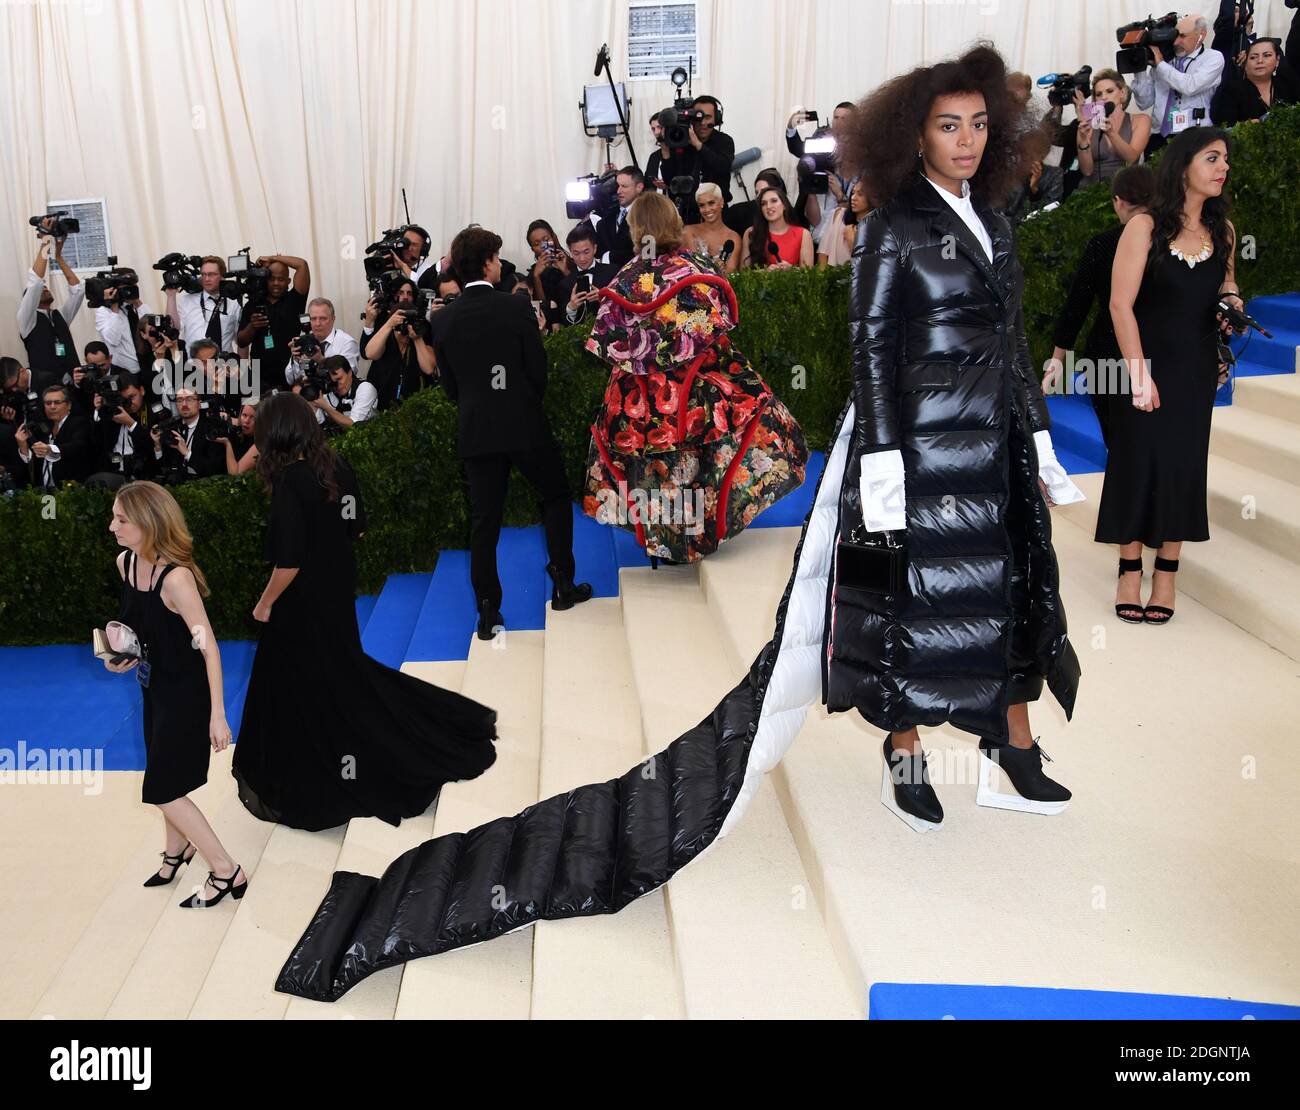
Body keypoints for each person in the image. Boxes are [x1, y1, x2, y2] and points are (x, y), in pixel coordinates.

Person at [271, 45, 1089, 1005]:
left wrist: (1033, 438)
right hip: (897, 445)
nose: (966, 141)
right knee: (901, 603)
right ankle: (906, 756)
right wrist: (873, 465)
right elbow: (867, 348)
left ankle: (1016, 745)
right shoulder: (887, 230)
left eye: (979, 124)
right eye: (948, 125)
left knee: (1005, 590)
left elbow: (1013, 337)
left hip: (980, 443)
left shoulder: (990, 219)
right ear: (915, 138)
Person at [232, 392, 498, 831]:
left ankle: (316, 759)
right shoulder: (334, 465)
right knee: (339, 669)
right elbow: (354, 529)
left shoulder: (289, 482)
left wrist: (264, 604)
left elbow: (289, 562)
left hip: (302, 597)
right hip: (336, 588)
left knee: (302, 677)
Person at [583, 191, 809, 564]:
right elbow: (720, 322)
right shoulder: (697, 266)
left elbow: (609, 342)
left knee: (654, 471)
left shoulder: (625, 278)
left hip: (642, 403)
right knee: (715, 450)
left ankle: (669, 543)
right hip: (697, 392)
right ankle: (707, 531)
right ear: (673, 222)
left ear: (636, 229)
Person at [1096, 127, 1242, 625]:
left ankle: (1167, 576)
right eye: (1213, 158)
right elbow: (1120, 305)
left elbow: (1227, 283)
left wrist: (1232, 304)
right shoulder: (1144, 227)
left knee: (1183, 467)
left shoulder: (1223, 231)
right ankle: (1129, 570)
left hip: (1196, 370)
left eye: (1225, 160)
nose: (1223, 167)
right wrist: (1138, 373)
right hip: (1143, 363)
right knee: (1137, 464)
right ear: (1183, 165)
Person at [106, 481, 246, 908]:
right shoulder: (125, 564)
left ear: (148, 523)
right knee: (164, 774)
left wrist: (217, 714)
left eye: (121, 519)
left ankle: (226, 870)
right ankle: (176, 851)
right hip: (153, 688)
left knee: (164, 788)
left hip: (187, 694)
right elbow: (141, 627)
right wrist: (121, 655)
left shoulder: (177, 579)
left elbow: (209, 647)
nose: (112, 526)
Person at [1043, 164, 1156, 447]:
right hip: (1159, 354)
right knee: (1153, 445)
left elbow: (1076, 306)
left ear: (1118, 202)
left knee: (1119, 445)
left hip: (1107, 358)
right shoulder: (1170, 243)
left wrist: (1057, 361)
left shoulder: (1103, 244)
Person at [1131, 14, 1226, 155]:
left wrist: (1161, 65)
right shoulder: (1165, 61)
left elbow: (1190, 86)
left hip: (1194, 135)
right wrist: (1139, 68)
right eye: (1174, 36)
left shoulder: (1212, 58)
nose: (1176, 42)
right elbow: (1144, 102)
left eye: (1182, 36)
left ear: (1201, 35)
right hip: (1159, 137)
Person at [17, 219, 85, 395]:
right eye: (43, 288)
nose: (45, 288)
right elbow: (35, 283)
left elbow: (77, 291)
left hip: (73, 389)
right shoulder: (27, 320)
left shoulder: (59, 315)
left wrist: (59, 257)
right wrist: (46, 241)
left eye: (46, 287)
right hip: (48, 393)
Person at [235, 254, 311, 394]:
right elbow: (241, 341)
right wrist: (252, 326)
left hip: (289, 373)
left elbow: (302, 264)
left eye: (281, 279)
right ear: (265, 280)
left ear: (288, 281)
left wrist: (272, 258)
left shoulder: (295, 300)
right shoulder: (253, 304)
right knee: (259, 413)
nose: (276, 283)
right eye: (271, 279)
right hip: (259, 374)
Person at [361, 278, 437, 407]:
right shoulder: (386, 335)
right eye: (400, 293)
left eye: (409, 293)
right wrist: (389, 325)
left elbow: (429, 369)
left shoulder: (421, 334)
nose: (403, 331)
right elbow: (369, 353)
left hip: (414, 405)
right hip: (383, 404)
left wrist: (417, 338)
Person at [1076, 69, 1153, 186]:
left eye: (1110, 91)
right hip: (1093, 190)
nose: (1104, 97)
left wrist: (1111, 133)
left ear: (1122, 93)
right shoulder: (1089, 123)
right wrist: (1082, 141)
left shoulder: (1141, 120)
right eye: (1099, 94)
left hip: (1127, 187)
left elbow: (1131, 159)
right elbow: (1087, 171)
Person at [14, 384, 94, 489]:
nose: (52, 407)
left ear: (68, 405)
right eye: (48, 403)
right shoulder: (41, 427)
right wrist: (23, 446)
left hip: (70, 490)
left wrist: (50, 450)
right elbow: (32, 461)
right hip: (42, 491)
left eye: (57, 402)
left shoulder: (79, 423)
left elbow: (77, 446)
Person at [1211, 36, 1300, 124]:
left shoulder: (1288, 84)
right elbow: (1223, 127)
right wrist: (1243, 126)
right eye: (1253, 57)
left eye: (1267, 55)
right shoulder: (1232, 90)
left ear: (1277, 60)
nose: (1260, 61)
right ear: (1245, 62)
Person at [168, 256, 241, 356]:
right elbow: (174, 327)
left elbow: (241, 340)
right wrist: (171, 296)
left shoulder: (234, 303)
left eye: (211, 274)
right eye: (203, 274)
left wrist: (242, 367)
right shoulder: (187, 300)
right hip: (193, 366)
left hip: (224, 365)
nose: (206, 279)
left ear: (222, 276)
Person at [557, 224, 617, 326]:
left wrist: (605, 298)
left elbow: (626, 307)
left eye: (586, 252)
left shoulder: (612, 272)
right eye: (576, 253)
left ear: (595, 249)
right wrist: (571, 308)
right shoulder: (565, 284)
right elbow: (565, 325)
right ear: (570, 252)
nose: (582, 259)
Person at [741, 187, 813, 269]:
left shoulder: (803, 234)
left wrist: (791, 270)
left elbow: (808, 275)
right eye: (763, 204)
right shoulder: (751, 233)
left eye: (774, 201)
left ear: (784, 205)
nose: (768, 206)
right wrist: (764, 273)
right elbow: (744, 273)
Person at [523, 219, 574, 332]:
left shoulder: (572, 262)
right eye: (537, 244)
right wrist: (536, 278)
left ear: (554, 238)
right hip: (549, 329)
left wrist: (566, 272)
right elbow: (541, 308)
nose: (543, 246)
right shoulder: (533, 273)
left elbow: (579, 294)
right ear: (532, 249)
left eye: (546, 240)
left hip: (573, 322)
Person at [682, 182, 742, 272]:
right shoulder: (689, 232)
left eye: (711, 203)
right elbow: (693, 268)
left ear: (721, 201)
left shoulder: (734, 237)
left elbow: (730, 273)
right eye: (702, 205)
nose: (707, 209)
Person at [816, 178, 870, 268]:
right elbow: (823, 252)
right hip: (832, 276)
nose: (853, 198)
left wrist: (852, 241)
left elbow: (867, 265)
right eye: (853, 193)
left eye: (860, 195)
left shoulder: (877, 227)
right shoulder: (839, 214)